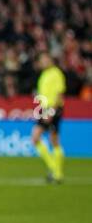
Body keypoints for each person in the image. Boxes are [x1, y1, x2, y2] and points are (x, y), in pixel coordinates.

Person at [32, 51, 66, 184]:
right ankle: (55, 171)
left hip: (52, 109)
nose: (44, 62)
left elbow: (59, 94)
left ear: (50, 60)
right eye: (42, 60)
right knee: (49, 140)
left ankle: (56, 171)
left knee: (47, 139)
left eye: (46, 59)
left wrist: (51, 111)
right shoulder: (44, 75)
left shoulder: (56, 73)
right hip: (44, 109)